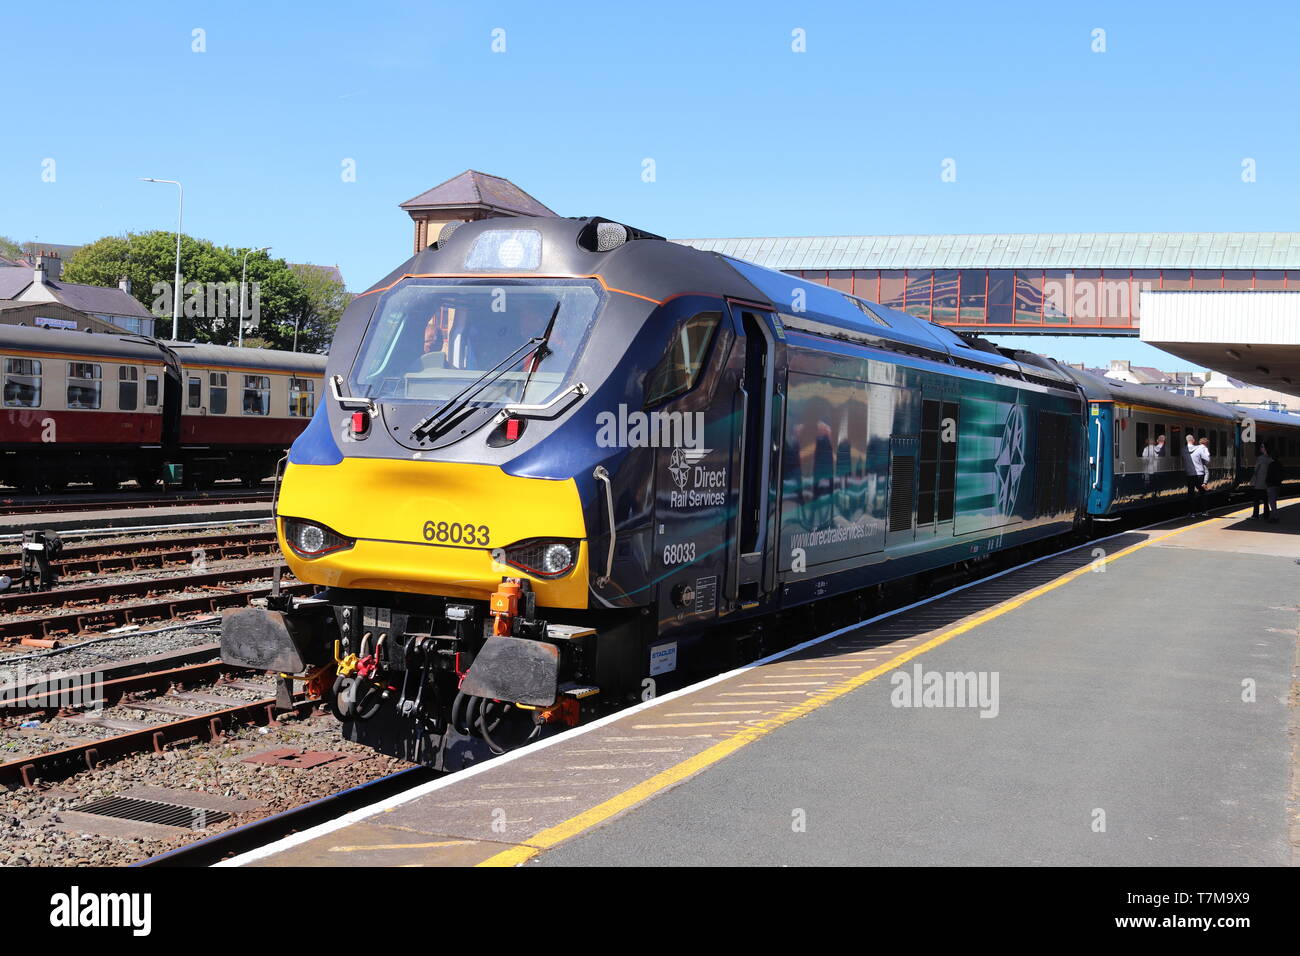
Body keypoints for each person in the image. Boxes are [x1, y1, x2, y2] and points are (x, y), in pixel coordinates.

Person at [1182, 433, 1207, 516]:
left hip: (1190, 474)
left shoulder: (1183, 450)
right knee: (1202, 492)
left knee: (1191, 493)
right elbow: (1204, 460)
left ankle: (1191, 512)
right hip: (1199, 474)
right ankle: (1203, 511)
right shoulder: (1199, 449)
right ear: (1193, 440)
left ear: (1186, 441)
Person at [1251, 442, 1273, 520]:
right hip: (1267, 483)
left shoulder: (1260, 458)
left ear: (1265, 448)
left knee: (1256, 500)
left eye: (1262, 447)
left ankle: (1255, 515)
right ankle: (1266, 515)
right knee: (1266, 500)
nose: (1260, 448)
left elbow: (1256, 470)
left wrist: (1253, 480)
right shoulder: (1271, 459)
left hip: (1260, 483)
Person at [1265, 447, 1284, 523]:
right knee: (1274, 501)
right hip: (1277, 485)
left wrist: (1267, 482)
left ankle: (1275, 517)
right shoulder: (1280, 464)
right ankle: (1273, 517)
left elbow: (1268, 475)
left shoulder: (1271, 465)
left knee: (1272, 503)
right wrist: (1279, 481)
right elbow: (1283, 475)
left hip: (1271, 485)